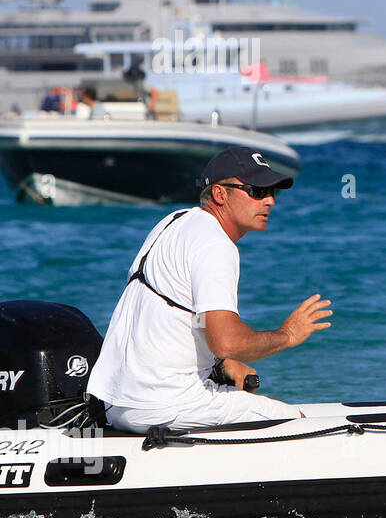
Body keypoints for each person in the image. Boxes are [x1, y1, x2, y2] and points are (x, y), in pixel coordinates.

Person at [87, 146, 332, 432]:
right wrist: (287, 335)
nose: (270, 202)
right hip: (165, 403)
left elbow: (182, 315)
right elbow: (227, 341)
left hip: (117, 404)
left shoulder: (172, 223)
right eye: (256, 191)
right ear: (219, 194)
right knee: (298, 425)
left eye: (272, 192)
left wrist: (222, 364)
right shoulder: (215, 245)